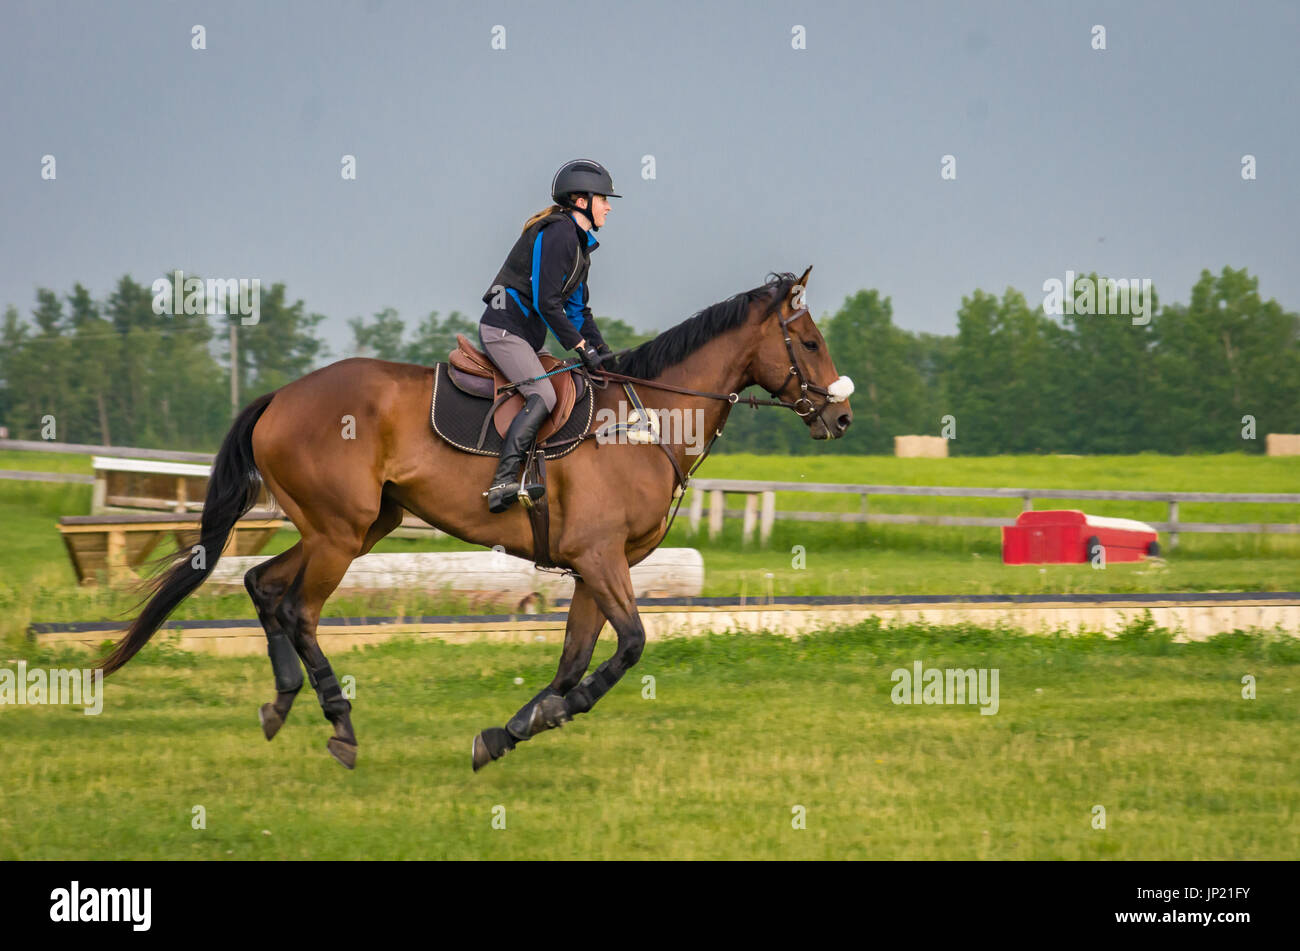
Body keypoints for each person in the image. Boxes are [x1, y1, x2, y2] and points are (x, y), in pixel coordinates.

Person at [478, 159, 620, 512]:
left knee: (568, 385)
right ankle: (503, 482)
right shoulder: (557, 233)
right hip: (504, 329)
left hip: (525, 337)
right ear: (581, 200)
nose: (609, 206)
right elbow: (546, 302)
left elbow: (577, 312)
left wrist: (605, 357)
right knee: (543, 392)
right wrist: (580, 346)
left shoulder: (579, 247)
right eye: (603, 198)